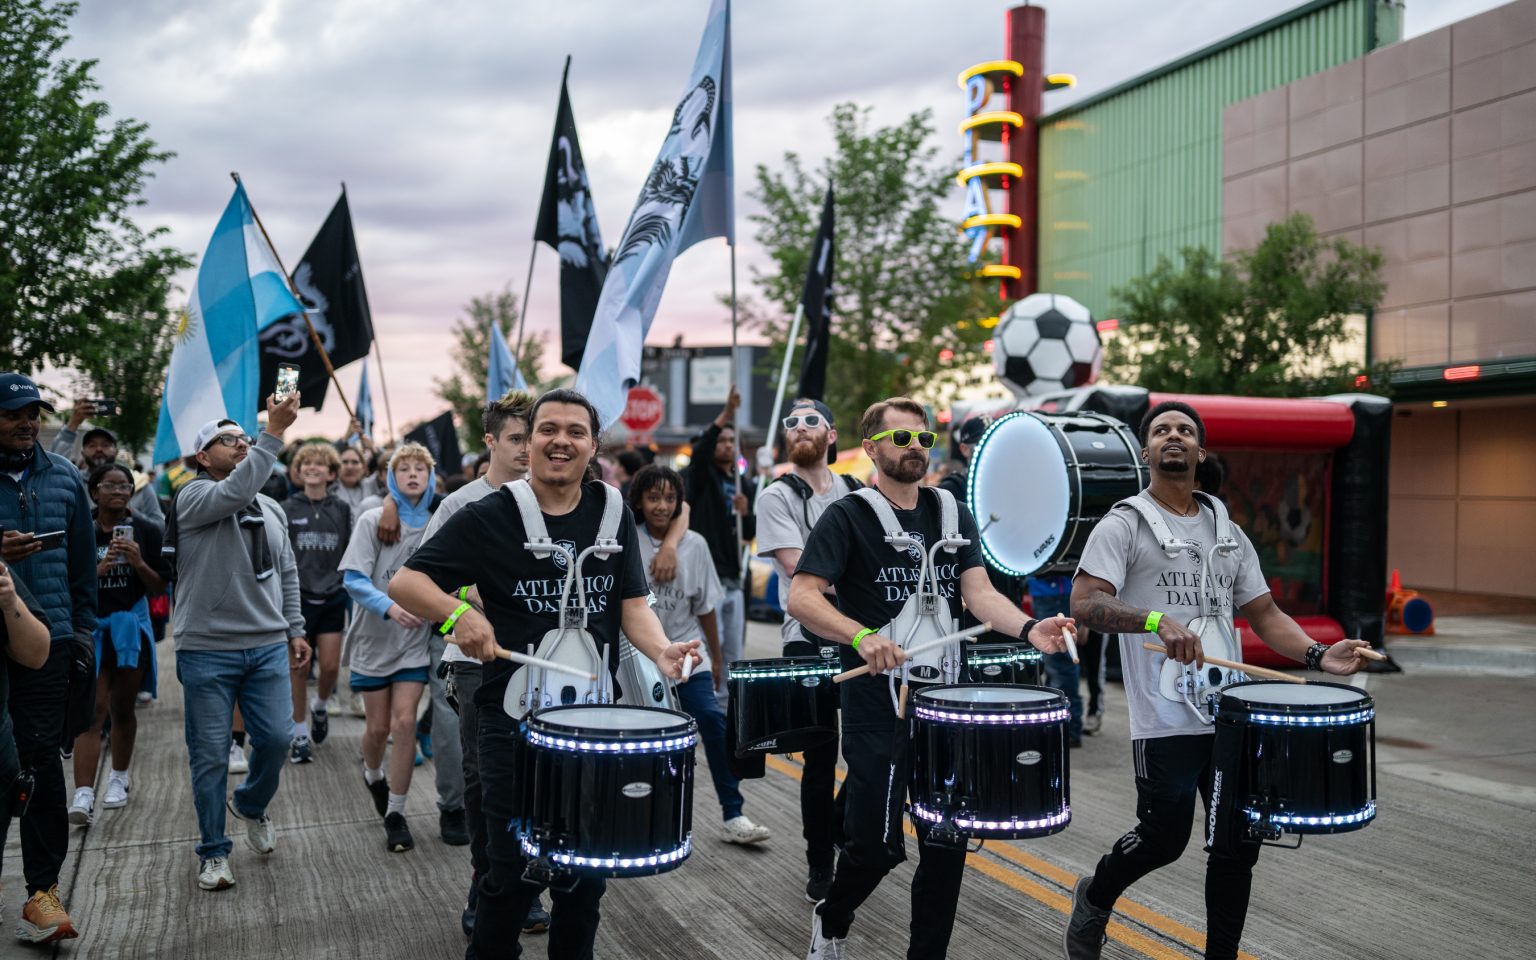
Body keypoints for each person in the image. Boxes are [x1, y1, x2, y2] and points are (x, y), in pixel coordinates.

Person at [389, 388, 701, 960]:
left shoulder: (611, 511)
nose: (561, 441)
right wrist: (460, 614)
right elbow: (405, 582)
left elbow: (631, 604)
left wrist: (661, 652)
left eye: (575, 432)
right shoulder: (489, 514)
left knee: (585, 879)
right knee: (508, 877)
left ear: (593, 445)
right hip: (512, 724)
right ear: (527, 442)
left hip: (592, 725)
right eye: (548, 430)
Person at [1062, 401, 1371, 960]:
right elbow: (1085, 603)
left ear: (1202, 451)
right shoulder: (1123, 523)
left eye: (1185, 430)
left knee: (1236, 845)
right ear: (1145, 451)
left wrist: (1319, 654)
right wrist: (1154, 620)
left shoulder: (1227, 531)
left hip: (1232, 715)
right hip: (1164, 717)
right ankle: (1095, 895)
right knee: (1162, 839)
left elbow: (1266, 614)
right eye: (1161, 431)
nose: (1173, 436)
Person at [789, 396, 1072, 960]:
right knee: (876, 846)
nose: (915, 448)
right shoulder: (848, 515)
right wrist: (861, 636)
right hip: (879, 700)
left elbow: (979, 593)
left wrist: (1030, 628)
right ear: (871, 448)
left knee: (947, 842)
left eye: (923, 439)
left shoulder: (952, 511)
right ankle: (834, 914)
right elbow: (802, 596)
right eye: (902, 440)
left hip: (946, 703)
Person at [167, 399, 311, 893]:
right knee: (208, 755)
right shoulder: (192, 497)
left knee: (276, 739)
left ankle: (249, 803)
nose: (242, 443)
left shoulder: (270, 507)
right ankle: (212, 851)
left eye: (244, 438)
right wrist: (273, 433)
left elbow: (287, 570)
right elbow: (236, 491)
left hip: (267, 643)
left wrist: (295, 627)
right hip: (206, 648)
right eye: (228, 440)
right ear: (202, 456)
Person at [627, 464, 771, 845]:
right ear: (639, 501)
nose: (661, 506)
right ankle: (646, 814)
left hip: (690, 649)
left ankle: (734, 813)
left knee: (710, 717)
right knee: (653, 733)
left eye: (670, 498)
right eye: (653, 497)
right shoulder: (628, 541)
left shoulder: (696, 545)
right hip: (642, 654)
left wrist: (717, 658)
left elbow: (706, 609)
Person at [0, 373, 95, 943]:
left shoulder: (64, 477)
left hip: (49, 645)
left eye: (33, 412)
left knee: (37, 767)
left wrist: (81, 631)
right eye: (14, 413)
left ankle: (43, 892)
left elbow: (84, 563)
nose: (27, 422)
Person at [754, 398, 857, 902]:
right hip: (806, 639)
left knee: (874, 750)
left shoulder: (858, 492)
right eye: (790, 422)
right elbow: (801, 570)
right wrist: (862, 580)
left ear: (831, 435)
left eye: (811, 420)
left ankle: (839, 827)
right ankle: (821, 859)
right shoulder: (777, 495)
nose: (798, 428)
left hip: (862, 634)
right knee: (819, 758)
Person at [337, 442, 437, 852]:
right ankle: (373, 775)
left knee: (404, 724)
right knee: (377, 729)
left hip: (413, 643)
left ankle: (396, 813)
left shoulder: (437, 522)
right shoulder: (373, 518)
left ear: (431, 478)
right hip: (373, 639)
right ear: (389, 477)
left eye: (420, 469)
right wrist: (391, 608)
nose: (413, 474)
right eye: (404, 468)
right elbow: (354, 580)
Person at [67, 463, 169, 825]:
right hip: (91, 628)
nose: (119, 492)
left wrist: (138, 561)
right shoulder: (80, 530)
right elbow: (67, 585)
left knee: (122, 709)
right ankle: (83, 792)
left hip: (130, 626)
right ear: (93, 492)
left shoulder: (148, 529)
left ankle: (119, 778)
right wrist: (98, 570)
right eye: (109, 486)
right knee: (92, 709)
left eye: (125, 486)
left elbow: (159, 588)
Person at [280, 442, 353, 763]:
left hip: (333, 595)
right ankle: (299, 733)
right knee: (299, 668)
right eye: (306, 463)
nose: (312, 467)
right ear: (297, 471)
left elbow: (349, 549)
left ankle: (320, 706)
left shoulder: (341, 509)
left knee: (332, 666)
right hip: (297, 598)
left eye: (319, 464)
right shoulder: (286, 508)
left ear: (331, 473)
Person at [682, 385, 755, 705]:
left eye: (731, 441)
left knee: (733, 647)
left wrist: (745, 512)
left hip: (734, 573)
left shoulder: (743, 484)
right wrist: (726, 414)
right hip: (708, 574)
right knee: (714, 641)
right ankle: (708, 697)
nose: (726, 445)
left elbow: (751, 531)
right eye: (721, 440)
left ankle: (727, 702)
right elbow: (699, 454)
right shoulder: (701, 477)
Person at [50, 405, 164, 530]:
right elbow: (55, 464)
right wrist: (73, 423)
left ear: (116, 451)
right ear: (82, 452)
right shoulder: (74, 482)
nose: (99, 449)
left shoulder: (139, 483)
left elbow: (160, 527)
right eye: (92, 445)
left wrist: (128, 514)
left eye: (105, 445)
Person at [1028, 571, 1082, 747]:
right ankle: (1060, 726)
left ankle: (1066, 728)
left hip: (1057, 589)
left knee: (1060, 666)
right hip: (1047, 589)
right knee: (1054, 666)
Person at [334, 444, 372, 514]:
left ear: (363, 467)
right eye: (344, 462)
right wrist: (342, 441)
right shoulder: (328, 489)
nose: (349, 467)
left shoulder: (372, 486)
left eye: (355, 462)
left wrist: (373, 449)